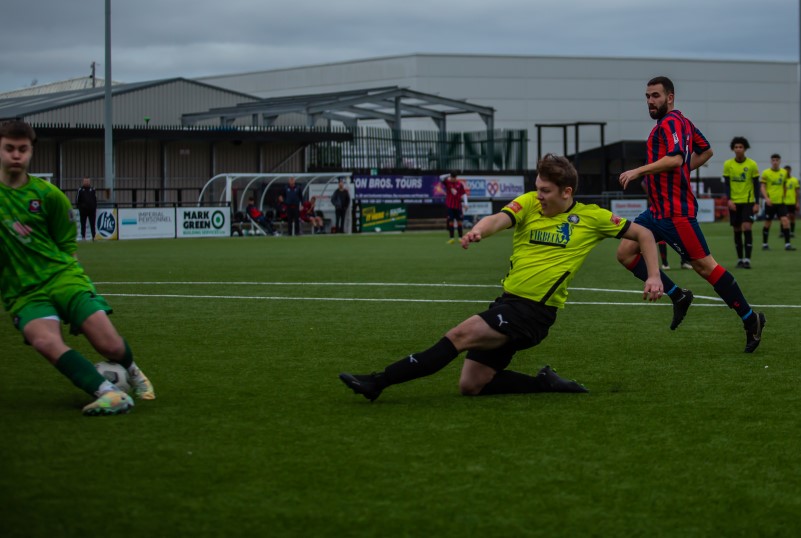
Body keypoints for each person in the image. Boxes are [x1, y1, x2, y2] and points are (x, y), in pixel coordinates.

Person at [339, 154, 664, 402]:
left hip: (534, 312)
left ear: (567, 192)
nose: (538, 196)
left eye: (546, 191)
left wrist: (653, 276)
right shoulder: (528, 204)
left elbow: (645, 234)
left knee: (459, 335)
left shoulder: (593, 218)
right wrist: (479, 231)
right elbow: (499, 218)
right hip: (508, 304)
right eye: (537, 189)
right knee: (472, 385)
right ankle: (544, 384)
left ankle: (377, 382)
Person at [0, 120, 155, 416]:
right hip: (23, 290)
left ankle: (133, 373)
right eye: (9, 149)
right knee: (44, 340)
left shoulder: (48, 195)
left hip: (62, 276)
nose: (16, 155)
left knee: (108, 344)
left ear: (31, 152)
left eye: (22, 149)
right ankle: (108, 393)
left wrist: (74, 286)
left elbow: (67, 246)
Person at [618, 76, 765, 353]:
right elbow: (706, 151)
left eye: (656, 96)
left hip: (676, 213)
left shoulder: (672, 122)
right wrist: (683, 169)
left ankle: (751, 319)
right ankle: (678, 296)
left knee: (705, 267)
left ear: (670, 97)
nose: (650, 101)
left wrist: (639, 170)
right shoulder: (682, 123)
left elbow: (675, 158)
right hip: (655, 212)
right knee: (625, 253)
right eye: (647, 96)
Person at [722, 136, 760, 268]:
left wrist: (757, 202)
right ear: (733, 149)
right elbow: (726, 184)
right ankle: (740, 259)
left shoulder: (752, 164)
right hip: (734, 202)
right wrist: (729, 200)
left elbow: (756, 185)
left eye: (741, 147)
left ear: (745, 149)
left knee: (747, 227)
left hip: (748, 201)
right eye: (736, 147)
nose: (738, 149)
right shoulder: (728, 164)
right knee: (737, 229)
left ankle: (747, 259)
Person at [759, 154, 795, 251]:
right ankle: (765, 244)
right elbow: (762, 186)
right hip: (770, 202)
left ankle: (787, 244)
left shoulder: (784, 172)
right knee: (768, 223)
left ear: (780, 161)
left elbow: (784, 185)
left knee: (786, 221)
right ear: (771, 161)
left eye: (777, 160)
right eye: (773, 160)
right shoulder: (766, 172)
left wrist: (784, 195)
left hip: (781, 203)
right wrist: (766, 198)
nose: (775, 162)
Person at [441, 172, 468, 244]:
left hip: (458, 206)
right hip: (450, 206)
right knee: (451, 221)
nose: (453, 179)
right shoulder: (447, 182)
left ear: (456, 177)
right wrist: (448, 174)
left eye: (454, 177)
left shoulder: (459, 184)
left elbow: (464, 194)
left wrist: (466, 203)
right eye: (452, 177)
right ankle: (451, 238)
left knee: (459, 221)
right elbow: (440, 177)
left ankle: (460, 238)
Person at [75, 175, 97, 241]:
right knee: (83, 224)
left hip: (91, 211)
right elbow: (77, 200)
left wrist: (94, 207)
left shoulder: (93, 189)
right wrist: (80, 208)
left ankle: (94, 236)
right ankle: (83, 237)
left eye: (87, 181)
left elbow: (95, 199)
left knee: (92, 224)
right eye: (85, 181)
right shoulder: (80, 190)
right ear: (83, 181)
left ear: (89, 181)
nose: (86, 182)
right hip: (83, 211)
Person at [782, 165, 799, 238]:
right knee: (784, 217)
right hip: (783, 202)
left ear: (790, 171)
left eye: (788, 170)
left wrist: (797, 202)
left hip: (792, 201)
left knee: (792, 217)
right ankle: (782, 232)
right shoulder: (782, 180)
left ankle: (791, 232)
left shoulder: (794, 180)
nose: (787, 172)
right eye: (785, 170)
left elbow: (797, 191)